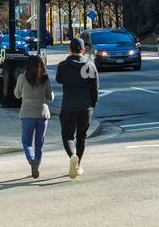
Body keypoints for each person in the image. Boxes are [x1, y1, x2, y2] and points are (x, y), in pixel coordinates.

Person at [55, 36, 98, 178]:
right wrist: (93, 103)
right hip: (86, 107)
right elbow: (95, 87)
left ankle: (73, 156)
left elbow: (59, 79)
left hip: (68, 106)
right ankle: (78, 164)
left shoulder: (63, 65)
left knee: (67, 136)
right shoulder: (89, 65)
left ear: (69, 50)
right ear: (83, 50)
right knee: (81, 137)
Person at [14, 53, 54, 180]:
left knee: (26, 141)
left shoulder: (22, 77)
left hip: (27, 113)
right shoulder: (45, 78)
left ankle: (32, 160)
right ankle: (37, 165)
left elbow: (17, 94)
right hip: (43, 113)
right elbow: (51, 97)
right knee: (39, 143)